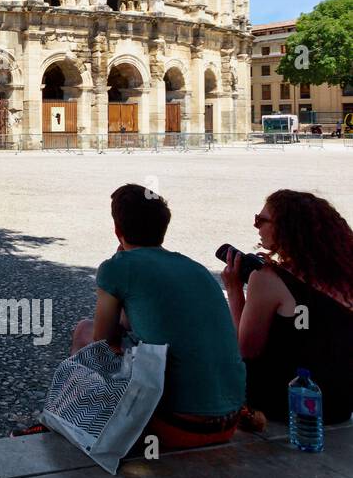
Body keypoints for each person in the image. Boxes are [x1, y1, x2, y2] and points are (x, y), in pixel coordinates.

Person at [71, 184, 245, 450]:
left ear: (118, 231)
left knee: (84, 331)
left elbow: (101, 342)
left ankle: (76, 419)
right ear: (163, 230)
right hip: (228, 423)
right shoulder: (195, 268)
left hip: (178, 427)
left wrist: (117, 266)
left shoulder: (117, 267)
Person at [223, 190, 353, 424]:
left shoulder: (267, 278)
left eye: (261, 221)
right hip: (340, 406)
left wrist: (234, 290)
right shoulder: (345, 277)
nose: (256, 227)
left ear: (286, 227)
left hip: (284, 405)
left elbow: (246, 350)